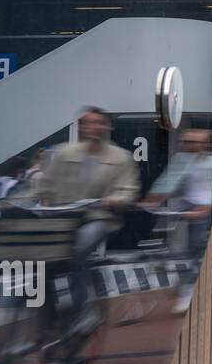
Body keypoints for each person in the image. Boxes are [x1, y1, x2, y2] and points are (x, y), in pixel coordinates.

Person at [34, 107, 139, 334]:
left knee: (79, 250)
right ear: (81, 126)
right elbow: (44, 184)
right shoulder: (64, 154)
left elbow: (129, 191)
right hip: (63, 218)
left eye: (98, 123)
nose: (93, 128)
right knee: (41, 259)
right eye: (88, 123)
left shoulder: (121, 158)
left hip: (99, 218)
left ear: (107, 126)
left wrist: (114, 200)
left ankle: (85, 311)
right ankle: (48, 316)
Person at [140, 126, 212, 315]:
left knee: (194, 250)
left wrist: (204, 210)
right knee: (163, 217)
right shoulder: (182, 159)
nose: (190, 146)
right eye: (187, 142)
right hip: (187, 202)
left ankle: (187, 289)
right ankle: (158, 249)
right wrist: (152, 200)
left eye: (195, 143)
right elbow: (167, 181)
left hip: (206, 207)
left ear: (205, 144)